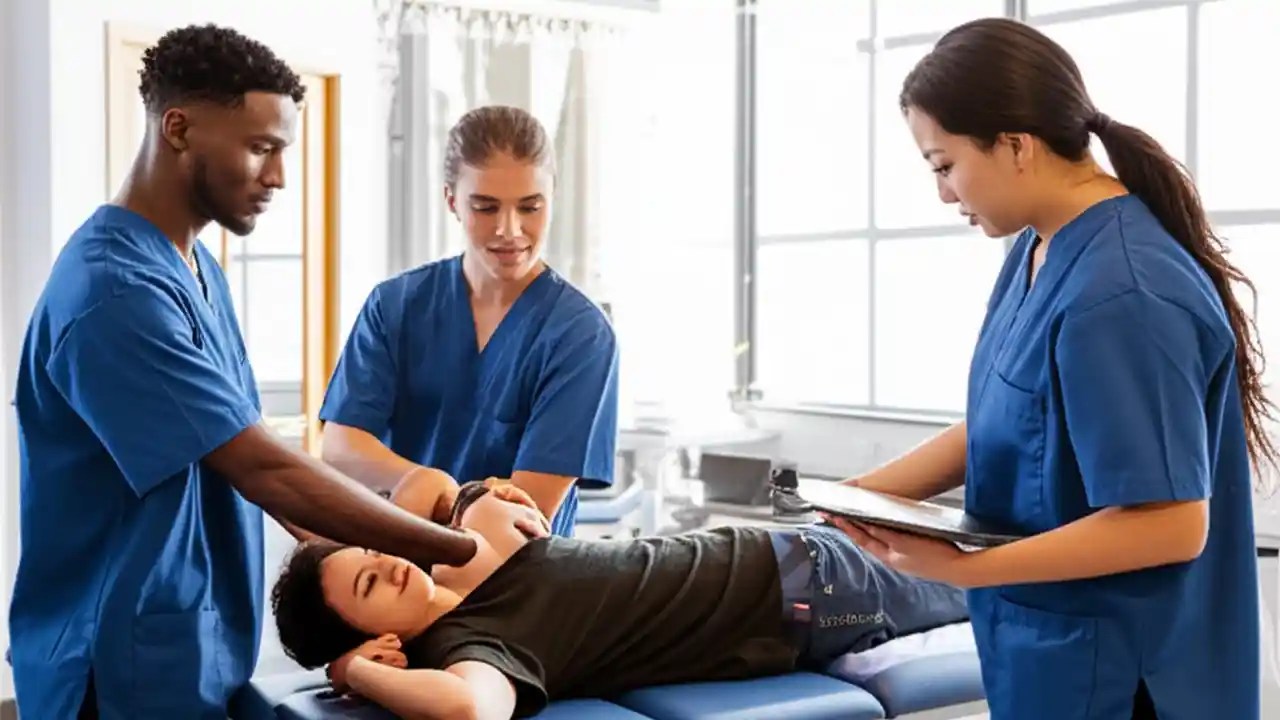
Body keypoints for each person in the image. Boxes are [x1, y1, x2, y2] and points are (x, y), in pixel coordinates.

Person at [9, 24, 486, 720]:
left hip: (190, 641)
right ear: (178, 128)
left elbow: (249, 467)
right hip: (115, 662)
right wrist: (461, 546)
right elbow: (265, 468)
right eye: (261, 148)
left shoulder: (196, 269)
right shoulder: (114, 294)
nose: (279, 176)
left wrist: (380, 573)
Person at [825, 17, 1274, 720]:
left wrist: (961, 568)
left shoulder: (1122, 292)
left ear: (1014, 146)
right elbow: (1014, 421)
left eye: (944, 166)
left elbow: (1170, 524)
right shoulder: (1038, 251)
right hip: (1049, 654)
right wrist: (852, 498)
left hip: (1129, 677)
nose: (944, 193)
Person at [270, 484, 969, 719]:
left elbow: (461, 497)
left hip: (781, 544)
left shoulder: (463, 562)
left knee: (995, 521)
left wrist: (477, 496)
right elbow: (468, 711)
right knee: (1011, 582)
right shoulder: (471, 649)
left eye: (375, 554)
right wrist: (355, 673)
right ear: (370, 639)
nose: (390, 566)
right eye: (368, 585)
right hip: (812, 599)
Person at [318, 105, 619, 538]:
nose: (509, 230)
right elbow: (341, 446)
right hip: (396, 571)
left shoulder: (580, 336)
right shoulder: (396, 305)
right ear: (452, 200)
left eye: (530, 208)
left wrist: (424, 496)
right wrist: (434, 487)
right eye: (486, 207)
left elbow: (522, 518)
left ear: (552, 198)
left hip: (516, 587)